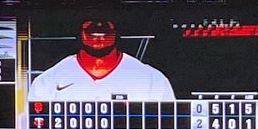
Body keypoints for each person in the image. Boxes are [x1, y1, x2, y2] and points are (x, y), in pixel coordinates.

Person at [27, 18, 174, 103]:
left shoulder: (153, 80)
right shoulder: (46, 81)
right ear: (80, 33)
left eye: (105, 29)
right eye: (91, 30)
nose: (98, 28)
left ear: (117, 33)